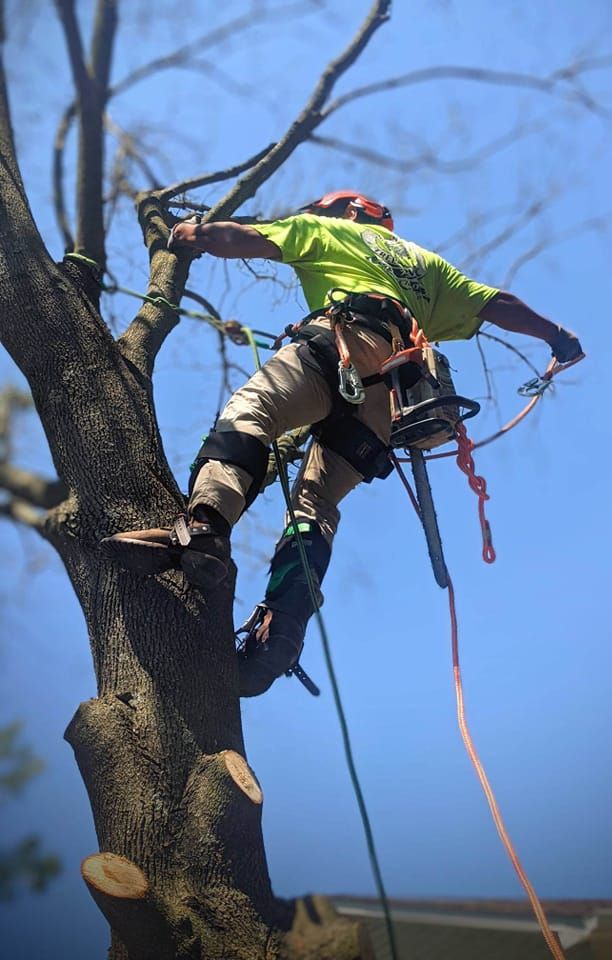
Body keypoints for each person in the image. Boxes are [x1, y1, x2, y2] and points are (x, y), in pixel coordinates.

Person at [102, 190, 583, 696]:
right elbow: (497, 304)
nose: (316, 215)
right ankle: (280, 629)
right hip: (389, 394)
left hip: (338, 346)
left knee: (251, 413)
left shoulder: (330, 231)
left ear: (352, 213)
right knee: (317, 503)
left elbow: (249, 239)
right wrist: (556, 337)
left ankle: (203, 530)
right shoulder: (427, 267)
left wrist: (194, 236)